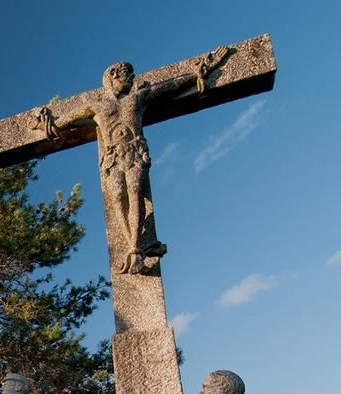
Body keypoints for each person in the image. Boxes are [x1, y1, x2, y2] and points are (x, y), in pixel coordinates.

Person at [34, 46, 229, 274]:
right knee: (117, 196)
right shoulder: (96, 106)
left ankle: (135, 248)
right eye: (128, 74)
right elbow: (63, 122)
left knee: (135, 191)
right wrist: (45, 121)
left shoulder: (138, 98)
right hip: (113, 157)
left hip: (134, 152)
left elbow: (169, 87)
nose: (133, 77)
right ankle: (131, 245)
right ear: (114, 76)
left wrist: (198, 73)